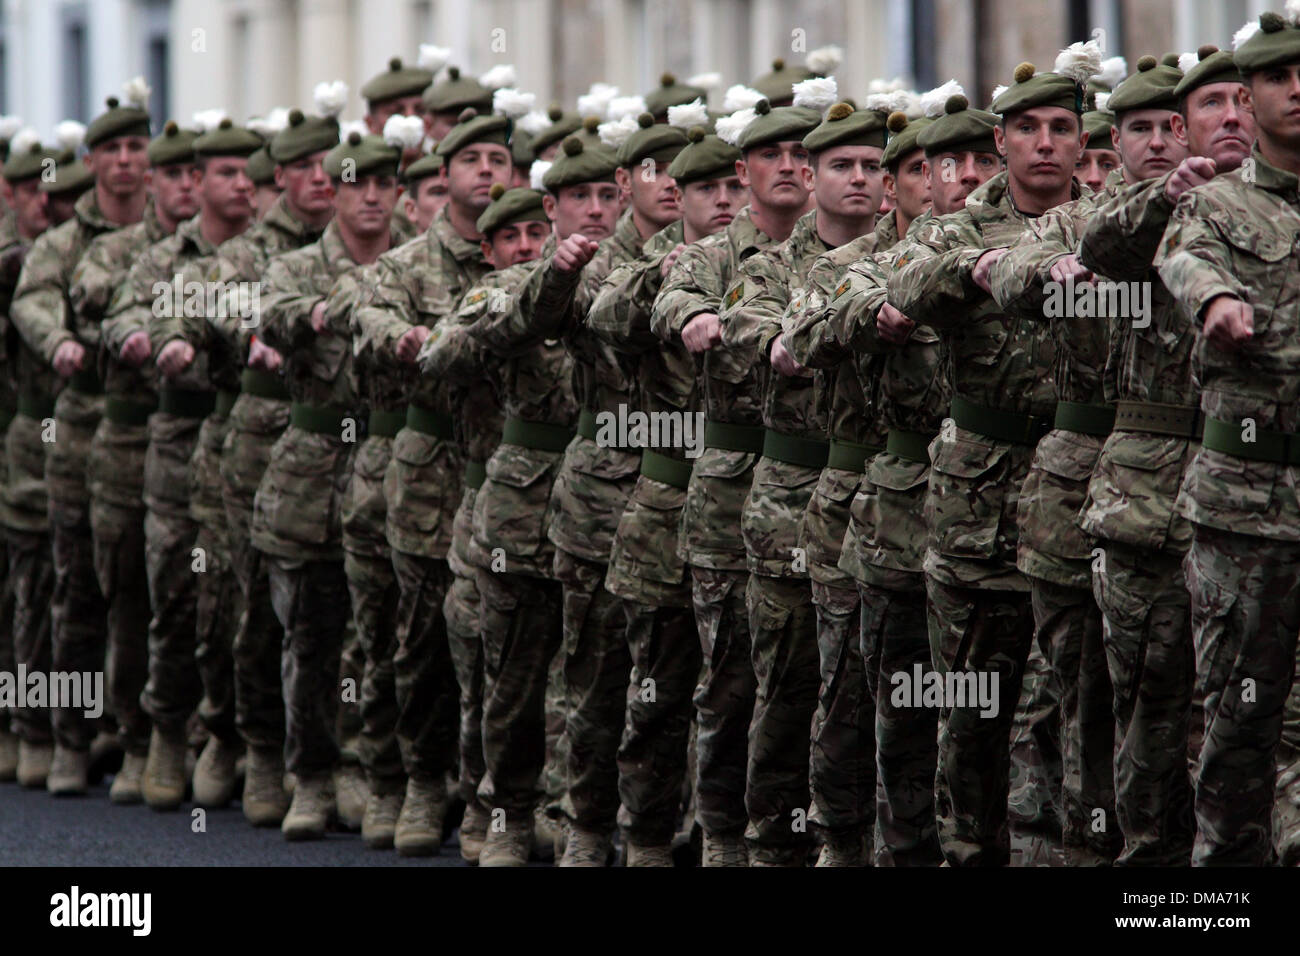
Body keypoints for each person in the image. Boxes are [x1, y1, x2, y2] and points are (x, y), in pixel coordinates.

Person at [887, 45, 1095, 866]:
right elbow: (905, 283)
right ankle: (967, 843)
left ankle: (1050, 849)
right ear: (1002, 142)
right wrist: (977, 268)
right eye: (1028, 129)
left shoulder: (1106, 225)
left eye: (1062, 128)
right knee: (972, 699)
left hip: (1082, 491)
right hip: (979, 497)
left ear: (1082, 142)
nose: (1046, 143)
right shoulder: (956, 227)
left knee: (1063, 697)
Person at [8, 82, 153, 795]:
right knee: (72, 589)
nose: (126, 161)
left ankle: (134, 736)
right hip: (77, 429)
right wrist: (58, 342)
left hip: (145, 429)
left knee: (136, 588)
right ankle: (63, 733)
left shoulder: (166, 234)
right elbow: (32, 300)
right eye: (113, 149)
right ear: (92, 160)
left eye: (136, 147)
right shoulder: (64, 245)